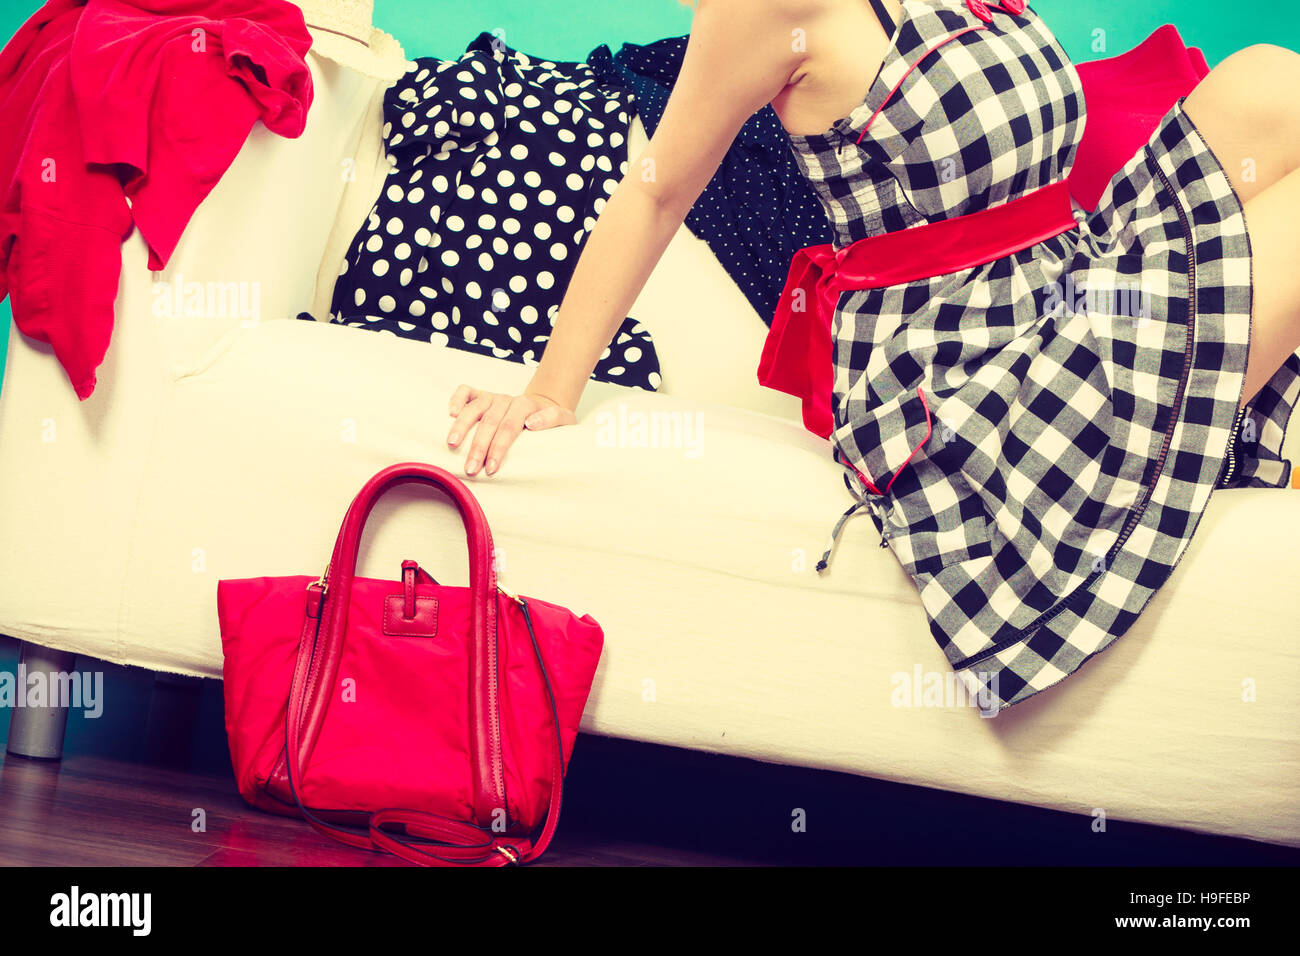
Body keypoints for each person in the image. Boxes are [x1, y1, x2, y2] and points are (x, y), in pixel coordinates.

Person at [444, 0, 1300, 709]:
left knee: (1273, 80)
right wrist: (551, 389)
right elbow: (659, 190)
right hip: (965, 372)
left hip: (1062, 285)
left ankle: (1189, 407)